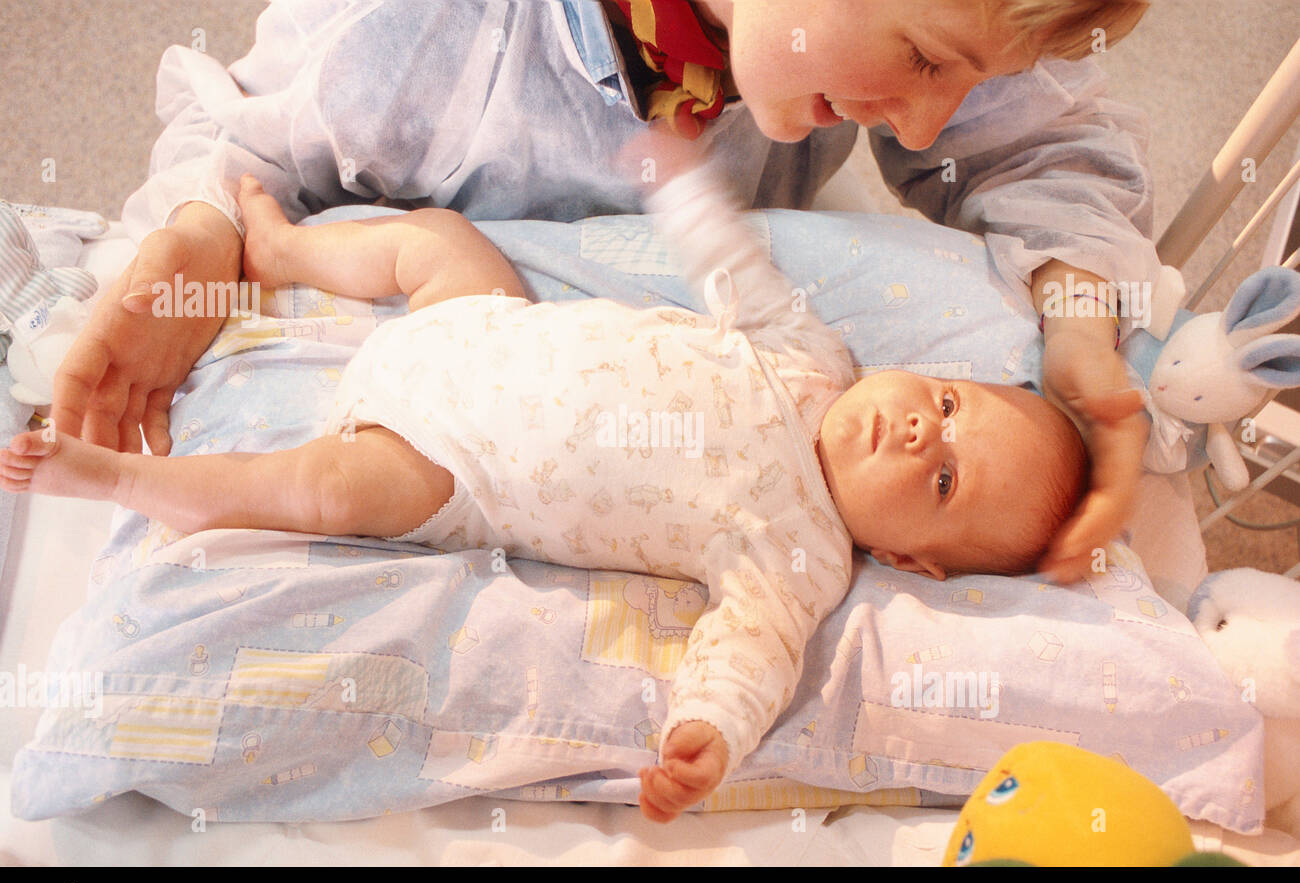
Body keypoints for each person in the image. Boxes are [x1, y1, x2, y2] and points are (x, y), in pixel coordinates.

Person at [2, 169, 1089, 822]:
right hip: (482, 321)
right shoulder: (819, 355)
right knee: (436, 239)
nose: (915, 429)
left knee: (320, 489)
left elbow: (750, 652)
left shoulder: (801, 553)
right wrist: (684, 187)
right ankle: (287, 248)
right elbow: (742, 274)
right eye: (944, 400)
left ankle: (128, 480)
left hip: (454, 462)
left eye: (940, 477)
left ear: (913, 559)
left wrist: (705, 730)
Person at [52, 0, 1149, 583]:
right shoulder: (417, 31)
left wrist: (1080, 314)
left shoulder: (798, 534)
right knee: (332, 472)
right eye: (919, 59)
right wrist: (201, 222)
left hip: (528, 437)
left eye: (960, 83)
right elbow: (247, 137)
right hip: (447, 348)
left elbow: (1045, 148)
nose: (917, 130)